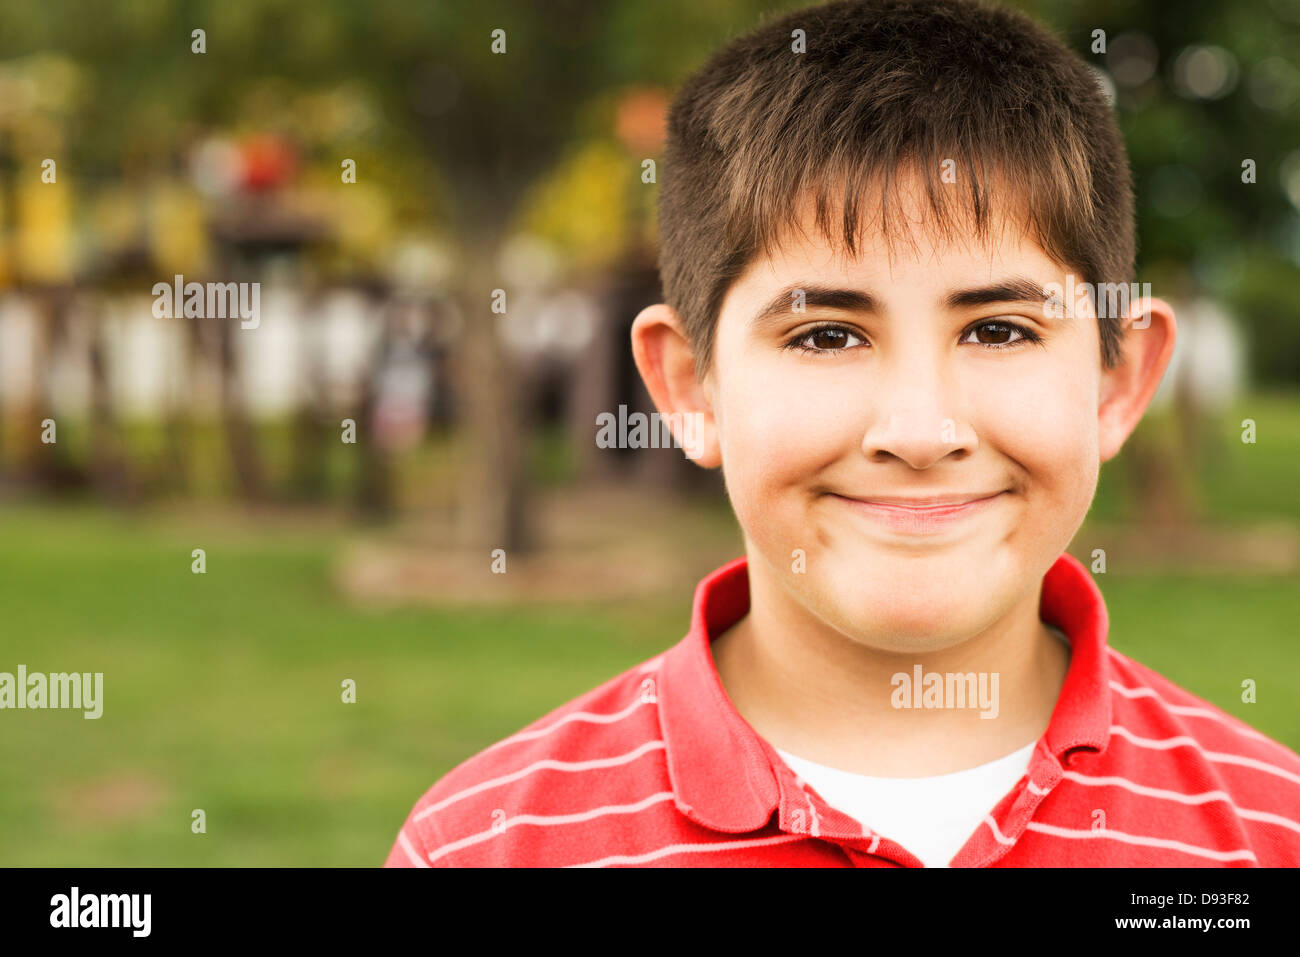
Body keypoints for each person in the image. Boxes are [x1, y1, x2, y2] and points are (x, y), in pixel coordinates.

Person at [385, 0, 1300, 867]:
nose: (919, 430)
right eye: (827, 334)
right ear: (685, 385)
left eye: (998, 329)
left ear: (1119, 380)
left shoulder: (1270, 831)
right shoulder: (490, 843)